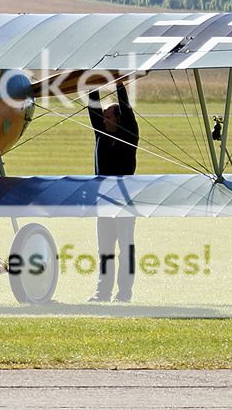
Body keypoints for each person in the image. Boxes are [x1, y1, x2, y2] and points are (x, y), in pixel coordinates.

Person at [87, 82, 139, 303]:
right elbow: (93, 108)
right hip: (103, 203)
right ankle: (103, 293)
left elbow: (126, 109)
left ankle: (124, 294)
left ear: (119, 120)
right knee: (105, 250)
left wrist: (119, 83)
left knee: (125, 249)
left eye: (108, 115)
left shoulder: (129, 136)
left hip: (124, 202)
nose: (104, 119)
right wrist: (91, 82)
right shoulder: (101, 135)